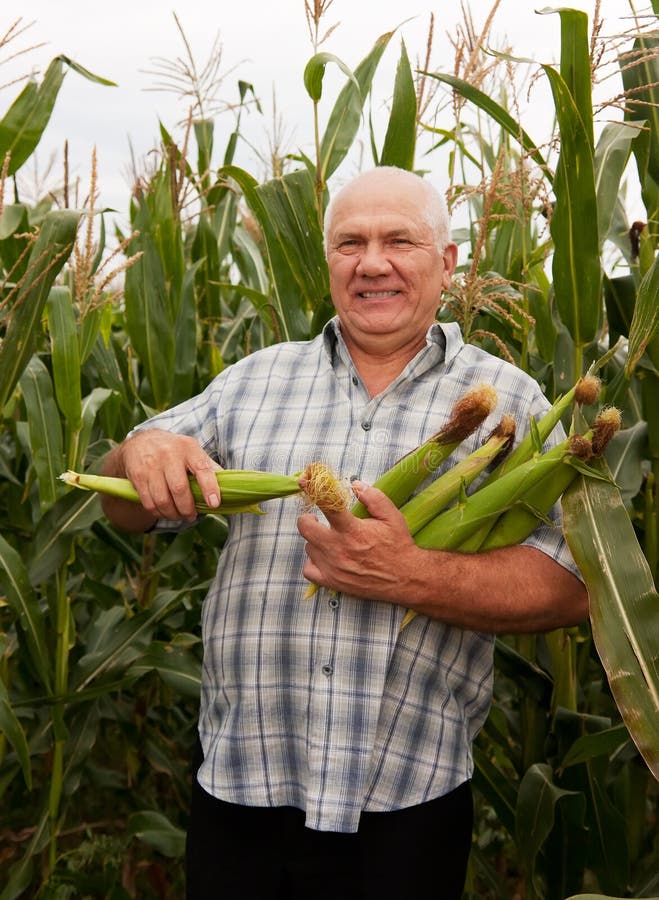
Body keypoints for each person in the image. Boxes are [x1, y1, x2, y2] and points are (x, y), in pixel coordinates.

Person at [100, 166, 587, 899]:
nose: (371, 263)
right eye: (349, 243)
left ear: (447, 263)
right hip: (241, 788)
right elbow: (124, 504)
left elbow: (572, 586)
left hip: (405, 803)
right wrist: (137, 450)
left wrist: (408, 574)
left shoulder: (508, 402)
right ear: (326, 259)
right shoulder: (253, 380)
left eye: (400, 241)